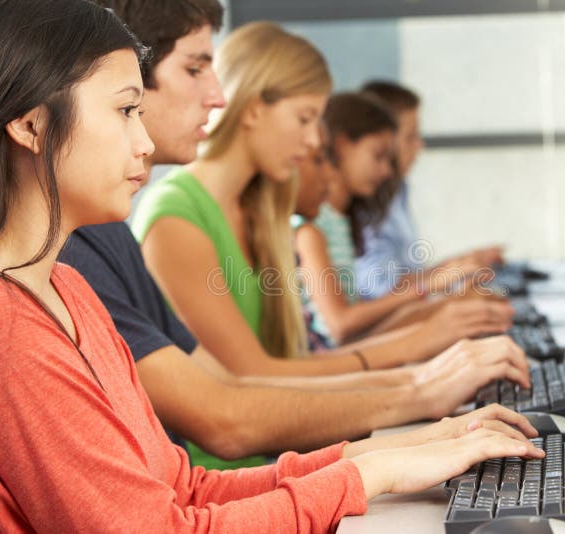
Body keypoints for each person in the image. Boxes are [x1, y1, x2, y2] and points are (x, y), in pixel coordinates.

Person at [0, 3, 544, 529]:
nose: (142, 144)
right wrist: (375, 472)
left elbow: (186, 488)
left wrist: (393, 454)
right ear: (30, 123)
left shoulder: (68, 286)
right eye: (126, 111)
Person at [132, 22, 516, 375]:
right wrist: (420, 353)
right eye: (304, 119)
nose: (316, 141)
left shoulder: (261, 212)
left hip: (285, 444)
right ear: (252, 109)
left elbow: (294, 364)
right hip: (257, 450)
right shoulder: (176, 217)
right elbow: (257, 378)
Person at [295, 92, 514, 346]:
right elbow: (341, 326)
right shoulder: (311, 231)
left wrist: (444, 289)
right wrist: (427, 287)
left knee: (460, 312)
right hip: (338, 358)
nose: (388, 171)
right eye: (378, 156)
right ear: (342, 146)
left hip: (355, 347)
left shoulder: (339, 222)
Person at [355, 80, 506, 300]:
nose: (419, 146)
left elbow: (406, 277)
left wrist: (459, 267)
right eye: (410, 137)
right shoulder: (361, 203)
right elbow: (378, 288)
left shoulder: (399, 191)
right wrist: (445, 277)